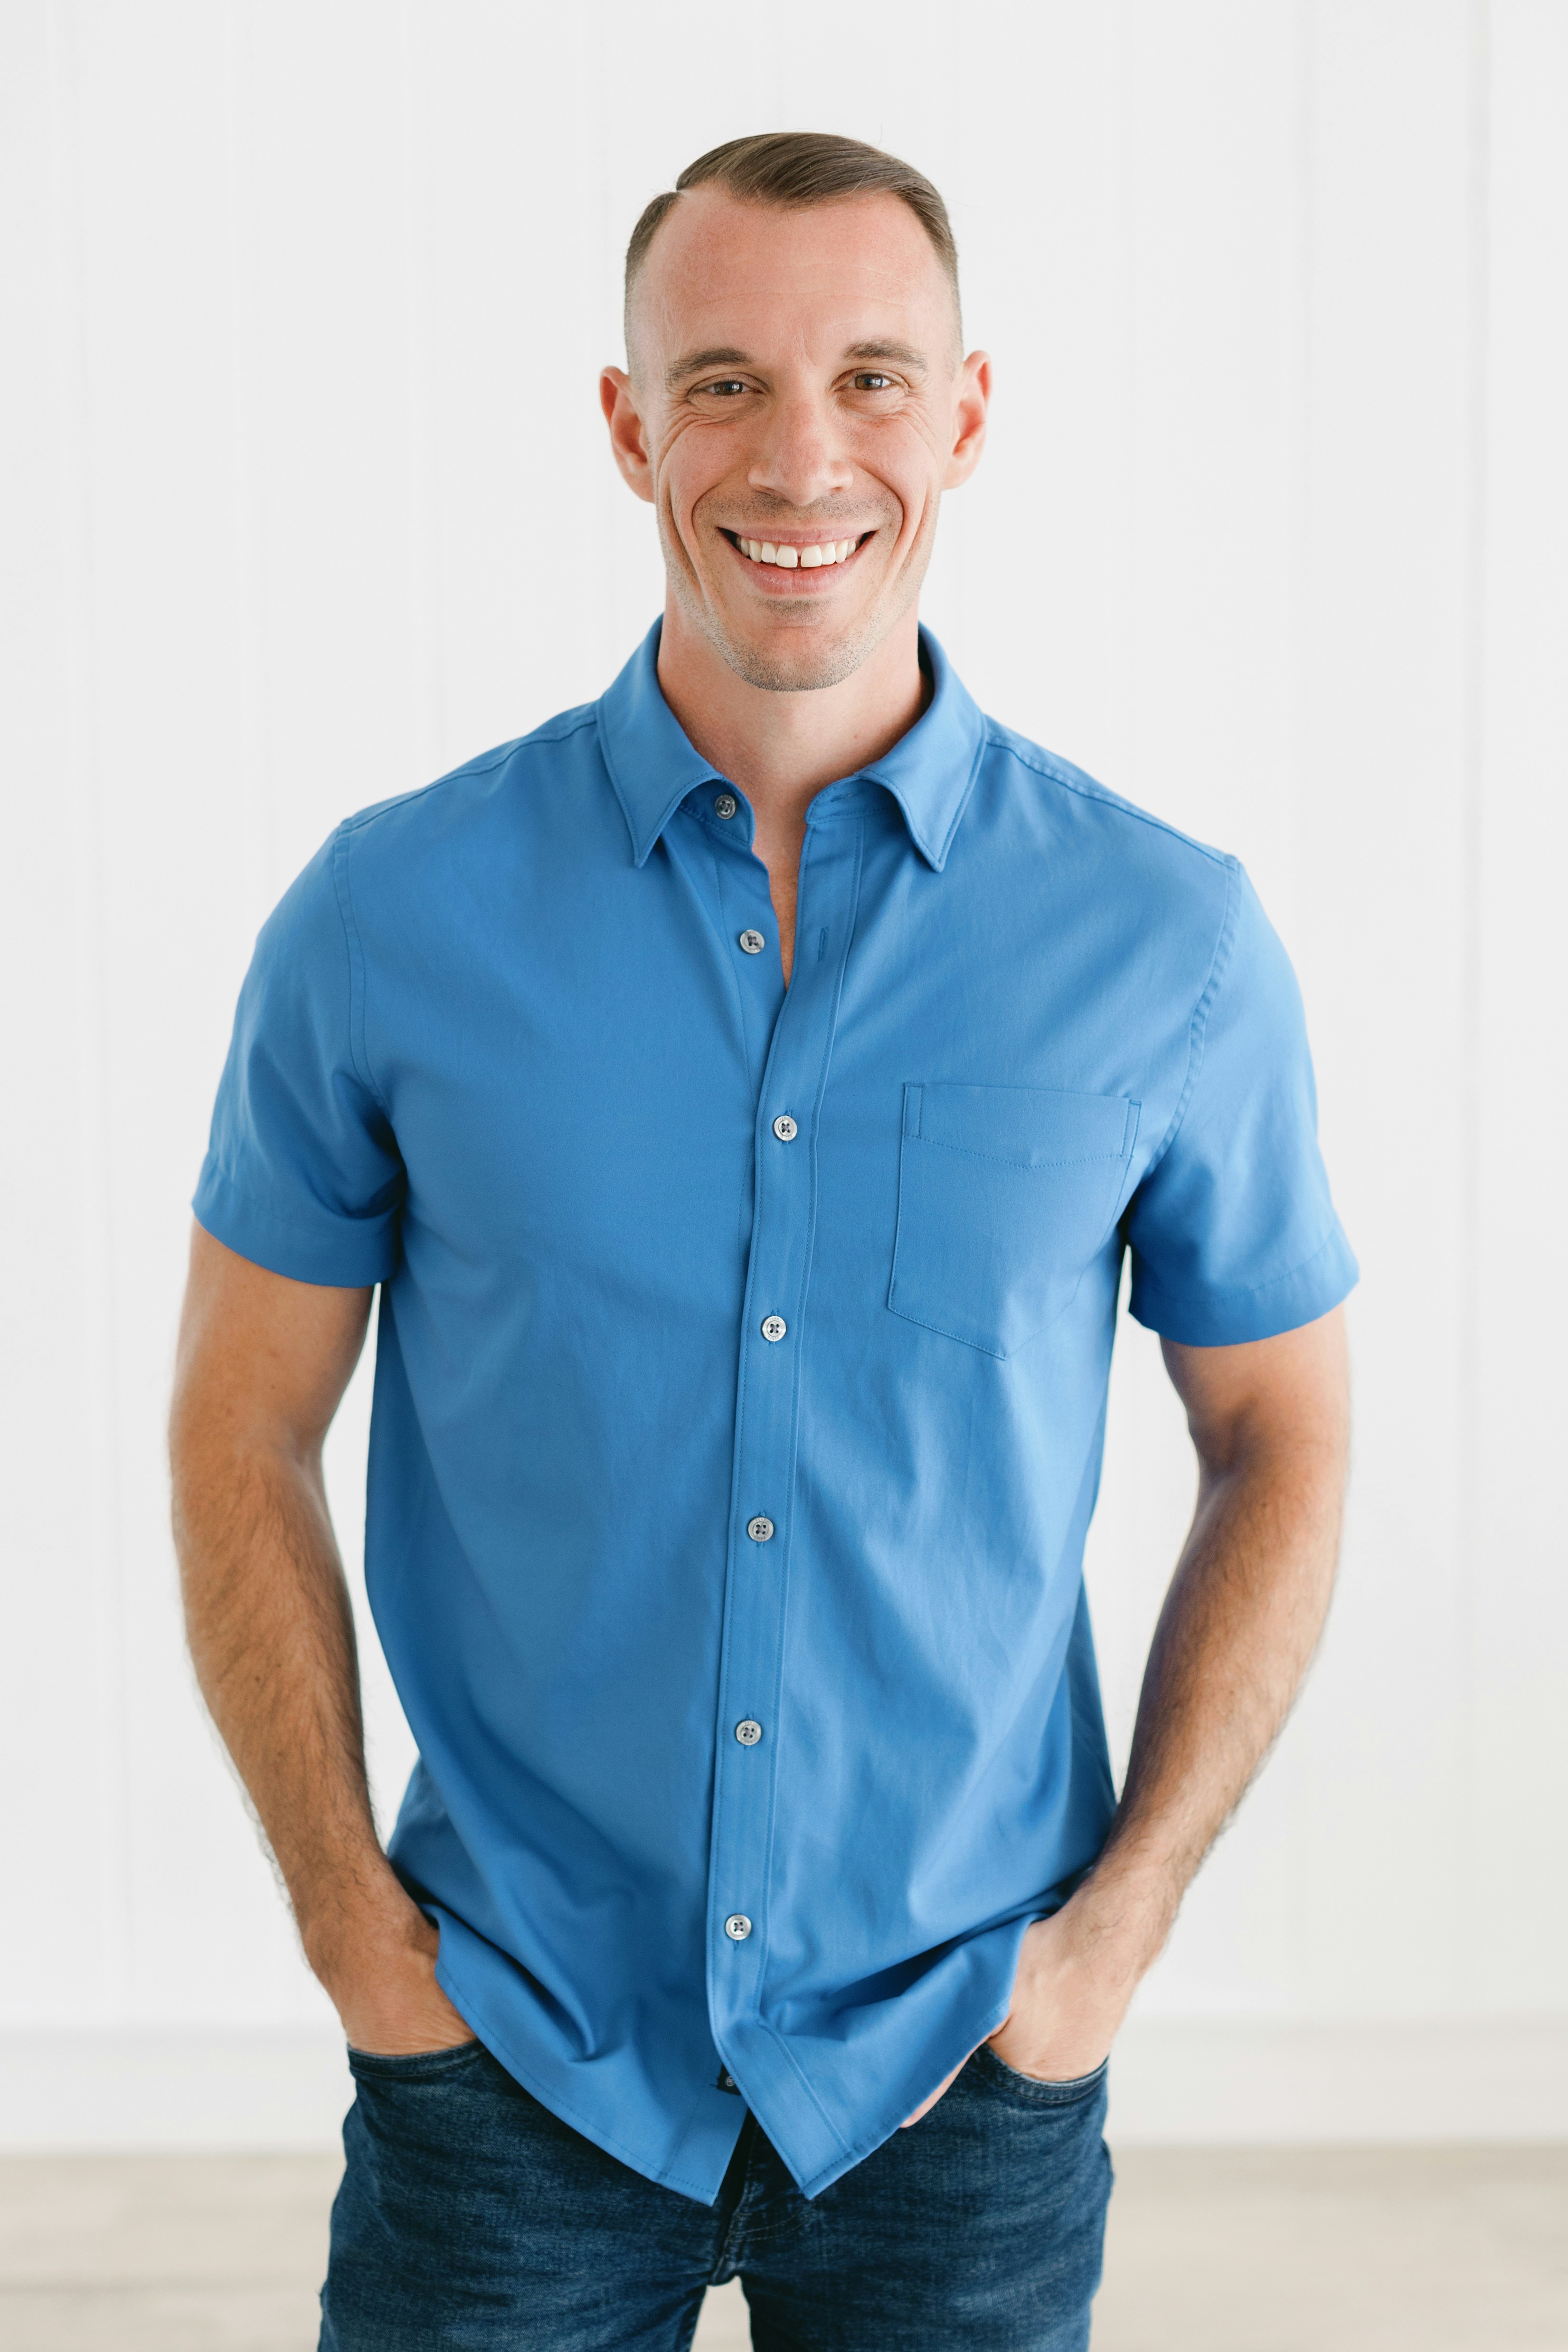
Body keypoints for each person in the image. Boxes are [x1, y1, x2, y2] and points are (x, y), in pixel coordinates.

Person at [170, 132, 1355, 2351]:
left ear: (967, 415)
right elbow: (239, 1428)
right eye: (720, 382)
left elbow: (1282, 1430)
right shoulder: (387, 917)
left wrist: (1103, 1949)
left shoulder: (1163, 938)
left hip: (963, 2079)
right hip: (503, 2065)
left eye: (873, 380)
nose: (801, 454)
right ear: (627, 423)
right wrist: (356, 1935)